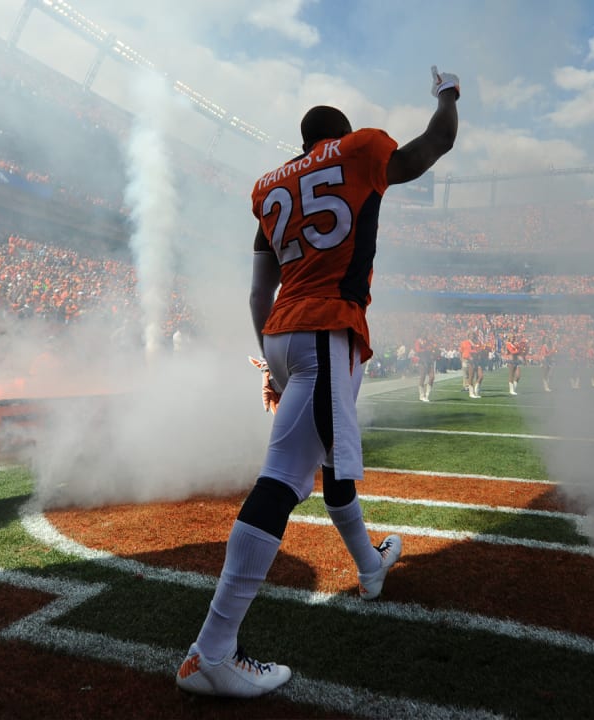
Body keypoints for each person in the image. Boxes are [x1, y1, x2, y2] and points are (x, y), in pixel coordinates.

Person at [176, 66, 460, 699]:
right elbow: (437, 143)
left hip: (285, 332)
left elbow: (257, 290)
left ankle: (369, 565)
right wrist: (448, 92)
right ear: (344, 135)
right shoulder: (359, 151)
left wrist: (272, 366)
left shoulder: (270, 187)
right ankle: (214, 649)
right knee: (282, 481)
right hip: (327, 329)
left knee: (328, 465)